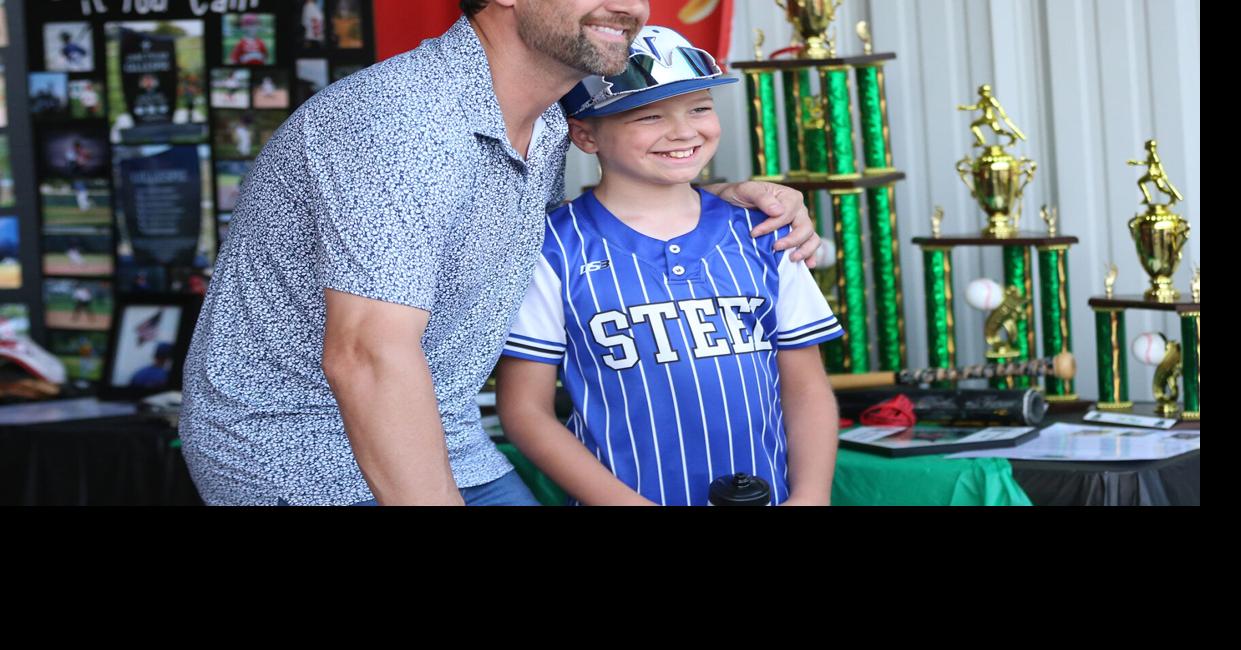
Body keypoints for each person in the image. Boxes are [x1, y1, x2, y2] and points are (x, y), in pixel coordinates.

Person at [179, 0, 822, 506]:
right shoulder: (398, 123)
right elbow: (368, 356)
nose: (631, 6)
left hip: (449, 437)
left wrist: (721, 199)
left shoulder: (541, 118)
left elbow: (625, 182)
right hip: (297, 452)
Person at [497, 27, 841, 506]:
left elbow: (804, 388)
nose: (683, 130)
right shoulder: (552, 247)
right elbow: (524, 412)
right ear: (585, 133)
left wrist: (811, 495)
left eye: (699, 107)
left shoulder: (765, 232)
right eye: (650, 115)